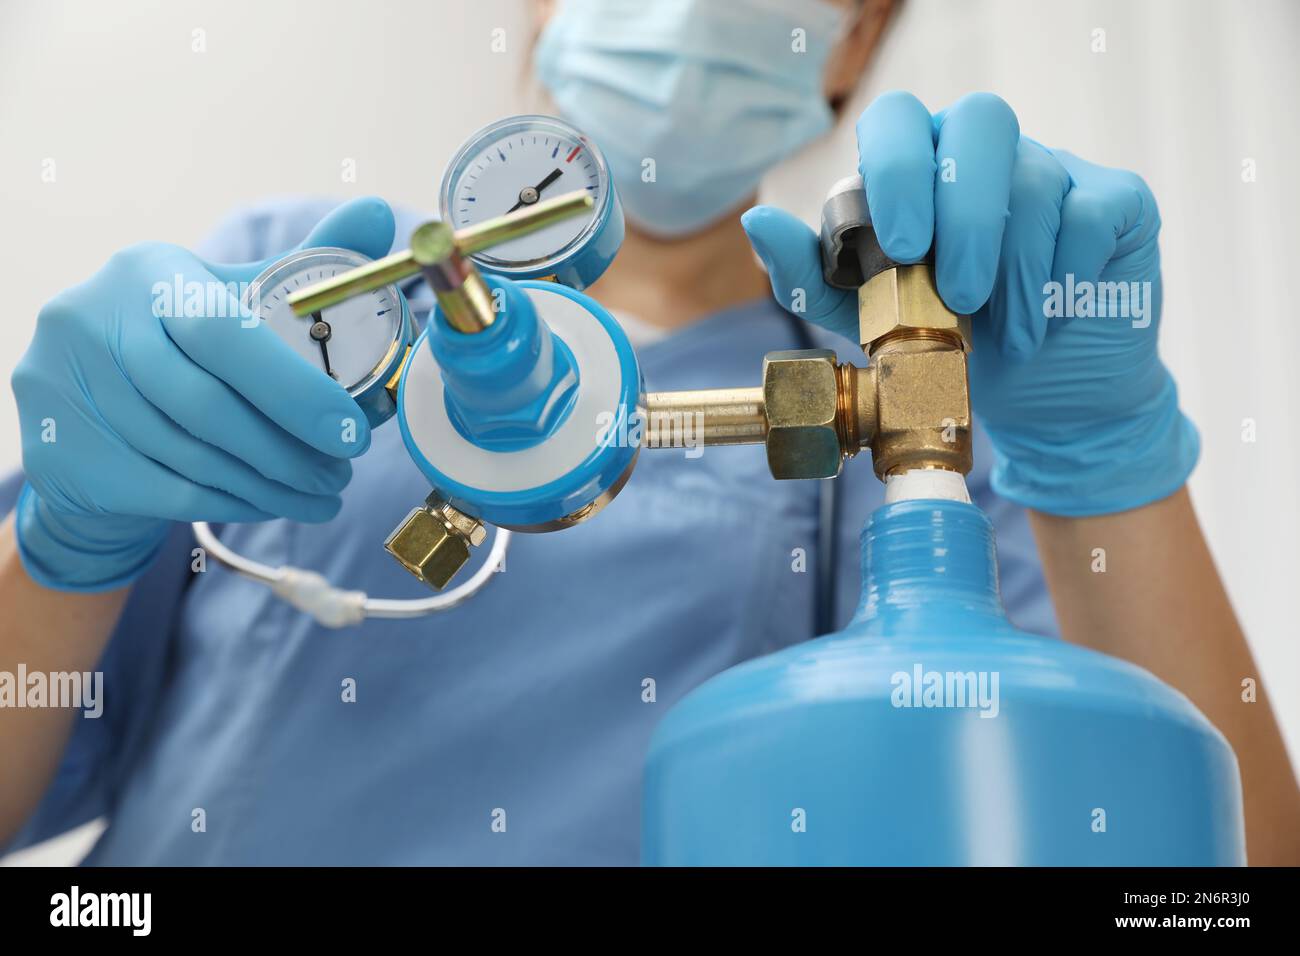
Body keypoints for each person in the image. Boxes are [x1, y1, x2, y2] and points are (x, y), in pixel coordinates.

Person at [1, 0, 1296, 865]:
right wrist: (69, 543)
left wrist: (1108, 466)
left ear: (854, 42)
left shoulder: (932, 405)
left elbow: (1197, 861)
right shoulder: (297, 295)